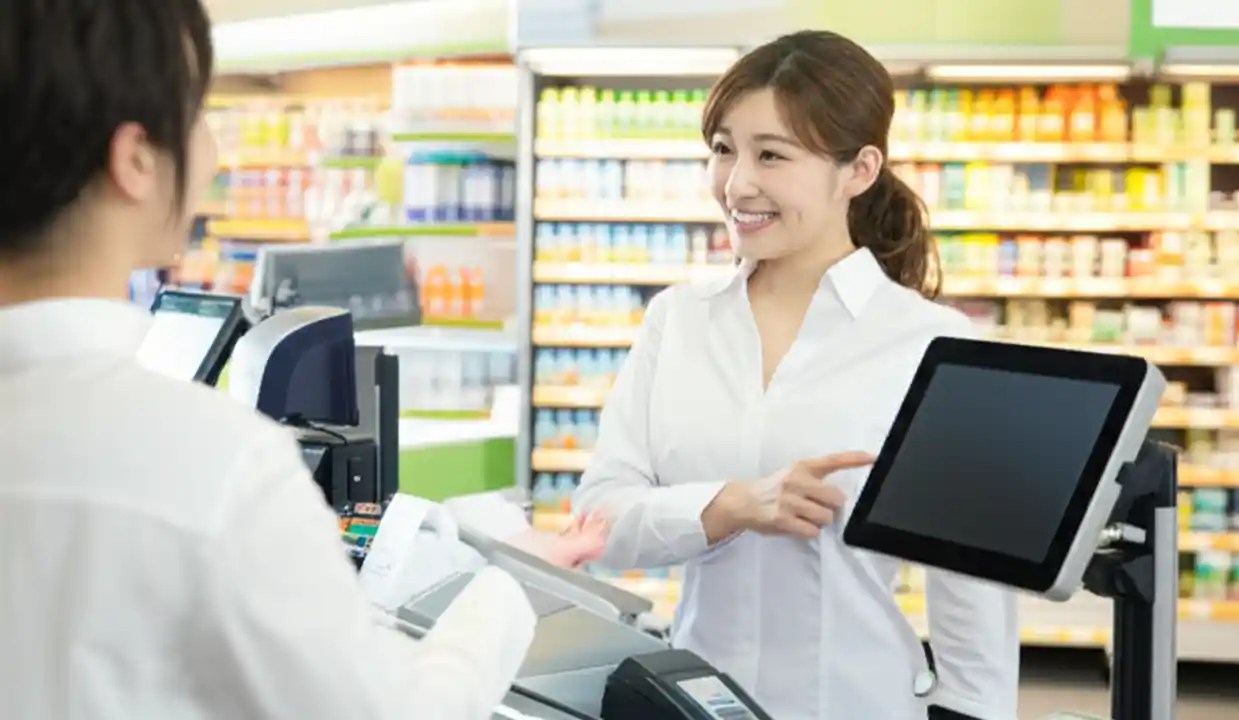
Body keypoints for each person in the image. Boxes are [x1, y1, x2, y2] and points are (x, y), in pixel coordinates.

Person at [0, 2, 535, 718]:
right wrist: (504, 591)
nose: (211, 149)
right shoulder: (216, 462)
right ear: (134, 160)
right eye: (198, 111)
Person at [573, 30, 1019, 720]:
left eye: (771, 156)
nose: (738, 183)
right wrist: (730, 506)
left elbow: (972, 601)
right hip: (693, 702)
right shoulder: (678, 321)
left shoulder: (934, 345)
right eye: (724, 150)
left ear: (859, 170)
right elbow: (601, 518)